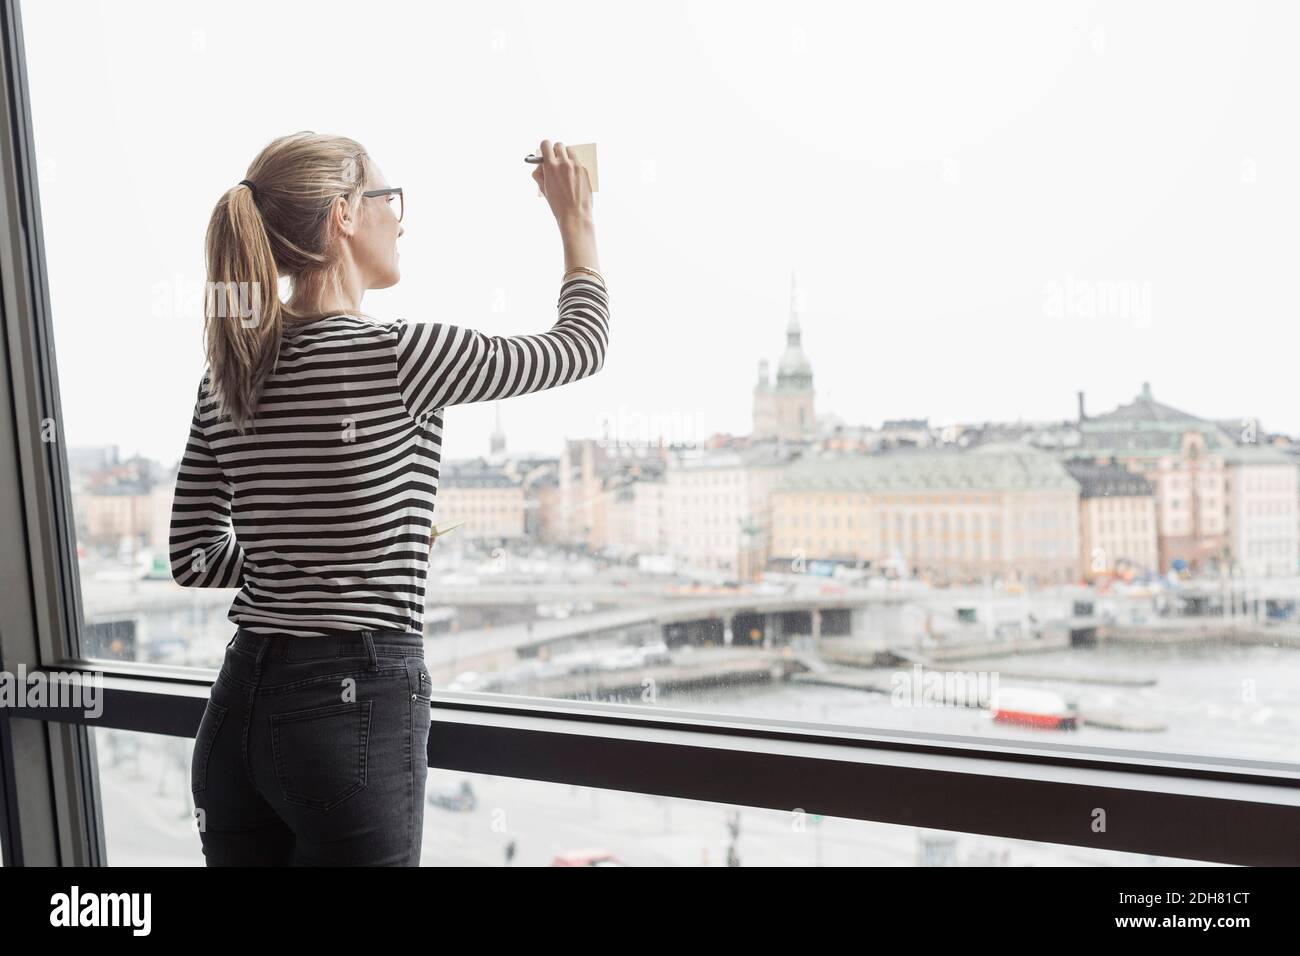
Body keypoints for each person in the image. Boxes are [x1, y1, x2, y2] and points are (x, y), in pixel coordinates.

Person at [173, 132, 609, 865]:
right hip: (348, 710)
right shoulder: (404, 354)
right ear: (344, 214)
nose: (400, 221)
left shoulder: (229, 375)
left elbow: (193, 557)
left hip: (238, 707)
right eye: (387, 200)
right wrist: (576, 218)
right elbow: (581, 344)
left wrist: (314, 553)